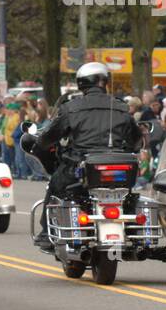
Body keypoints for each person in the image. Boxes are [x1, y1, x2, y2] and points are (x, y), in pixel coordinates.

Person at [29, 62, 142, 247]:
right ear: (104, 81)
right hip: (118, 168)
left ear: (81, 83)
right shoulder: (120, 107)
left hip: (80, 167)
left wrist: (42, 142)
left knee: (55, 184)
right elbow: (136, 141)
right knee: (128, 194)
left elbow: (49, 137)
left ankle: (46, 233)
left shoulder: (71, 108)